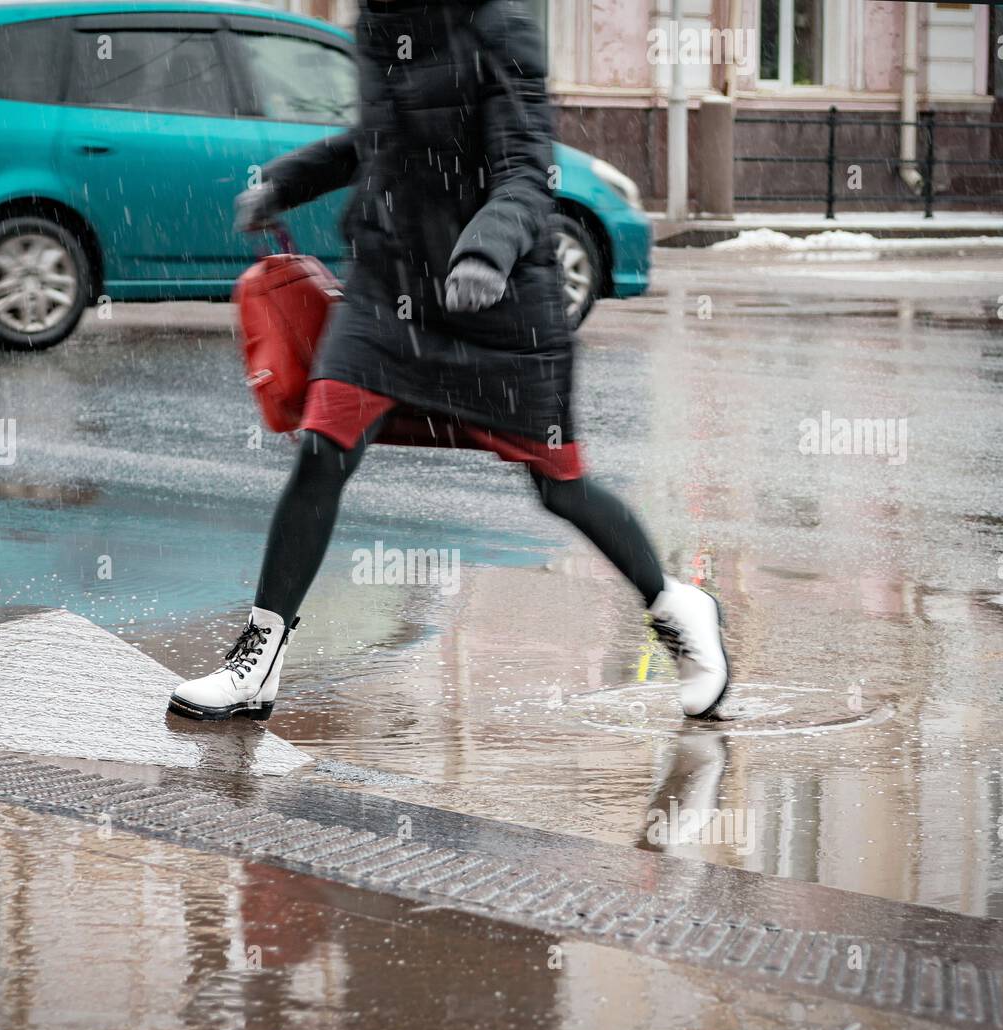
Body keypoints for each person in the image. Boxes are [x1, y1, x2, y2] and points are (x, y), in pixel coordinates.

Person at [169, 0, 729, 724]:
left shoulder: (498, 28)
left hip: (497, 306)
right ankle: (260, 657)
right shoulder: (379, 24)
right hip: (388, 291)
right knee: (323, 448)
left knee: (559, 486)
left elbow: (528, 170)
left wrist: (487, 249)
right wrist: (287, 181)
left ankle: (675, 605)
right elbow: (377, 141)